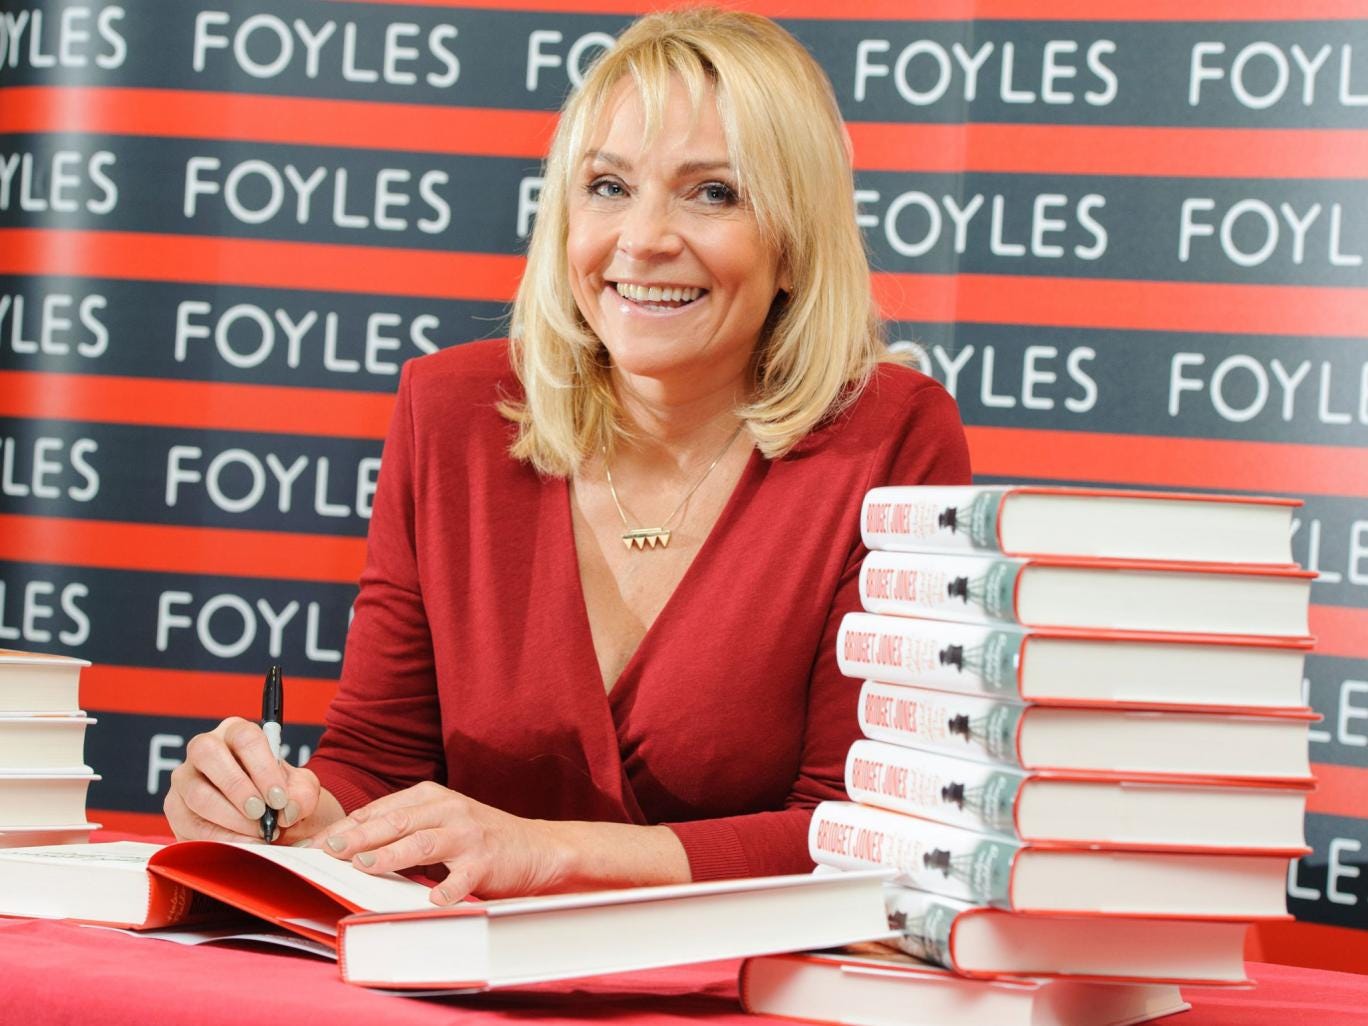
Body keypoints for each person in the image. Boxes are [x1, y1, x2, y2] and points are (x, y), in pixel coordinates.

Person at [163, 7, 970, 904]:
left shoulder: (890, 437)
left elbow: (862, 829)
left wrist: (550, 853)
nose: (644, 238)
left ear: (796, 245)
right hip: (468, 969)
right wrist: (290, 810)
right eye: (609, 186)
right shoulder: (451, 413)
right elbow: (379, 760)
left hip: (734, 975)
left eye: (714, 193)